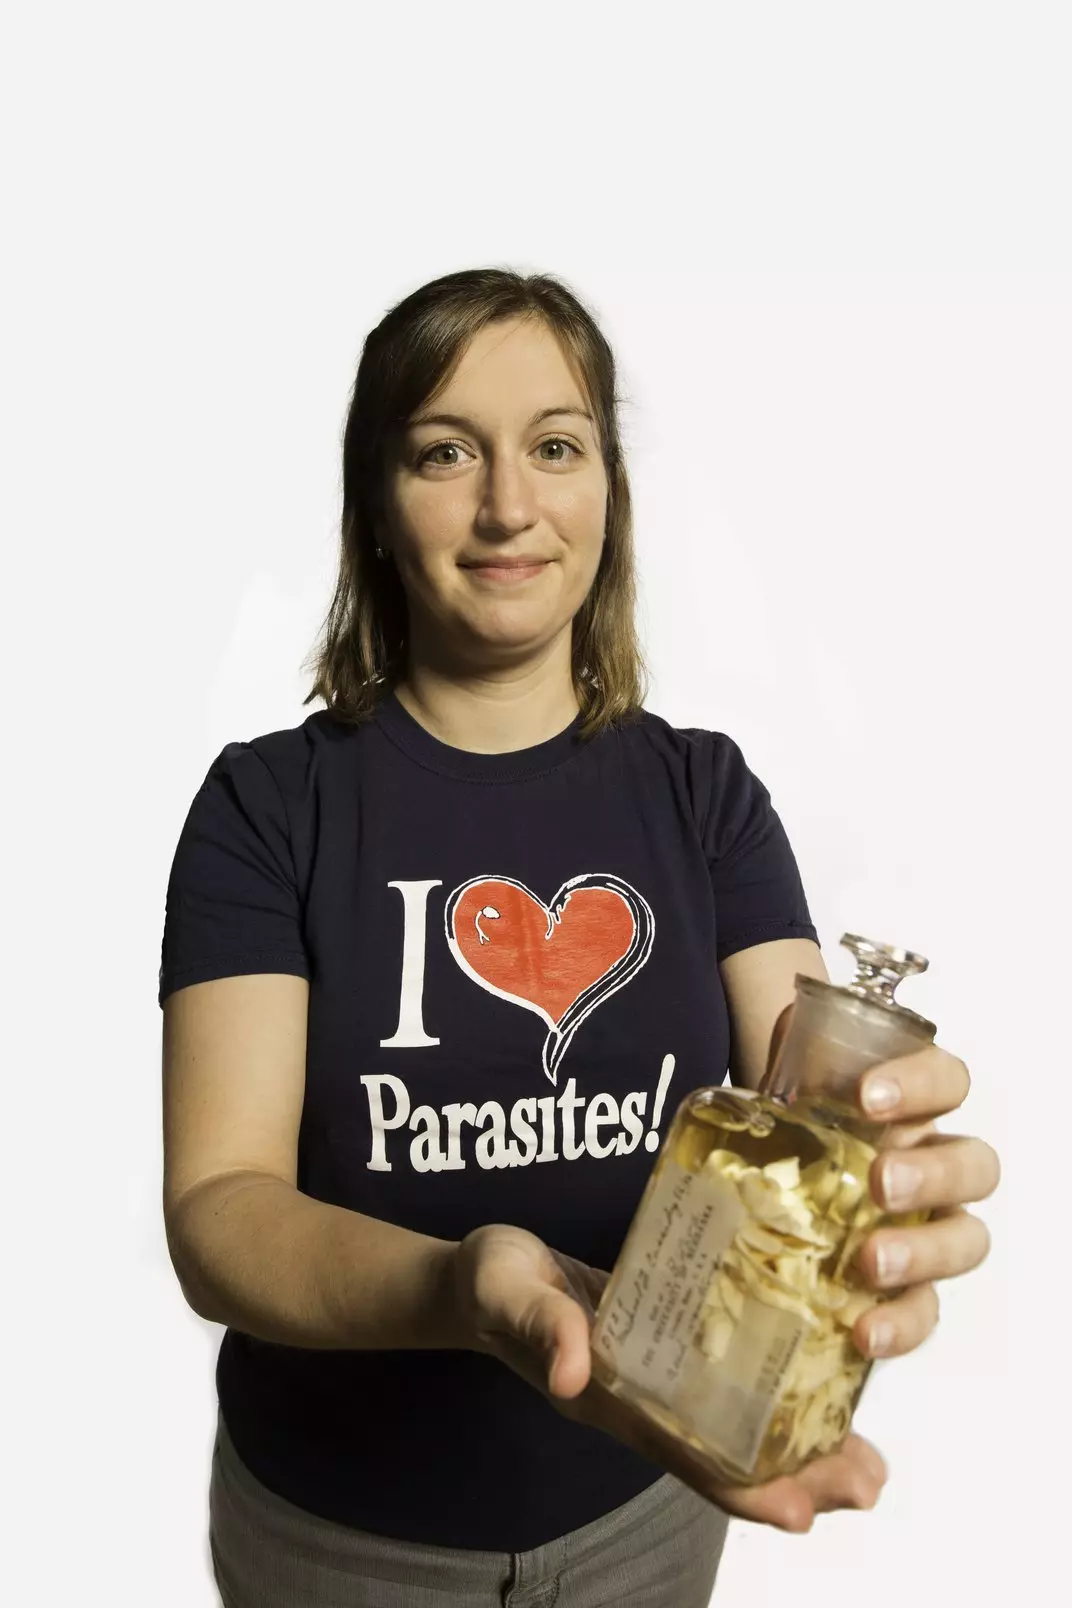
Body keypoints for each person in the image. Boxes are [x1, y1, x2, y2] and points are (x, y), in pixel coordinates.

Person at [159, 268, 1001, 1608]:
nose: (508, 505)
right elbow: (220, 1214)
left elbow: (804, 1120)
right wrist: (465, 1287)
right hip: (341, 1539)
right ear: (376, 504)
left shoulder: (702, 795)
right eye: (447, 453)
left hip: (647, 1515)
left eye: (557, 447)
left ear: (608, 492)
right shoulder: (271, 807)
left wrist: (877, 1167)